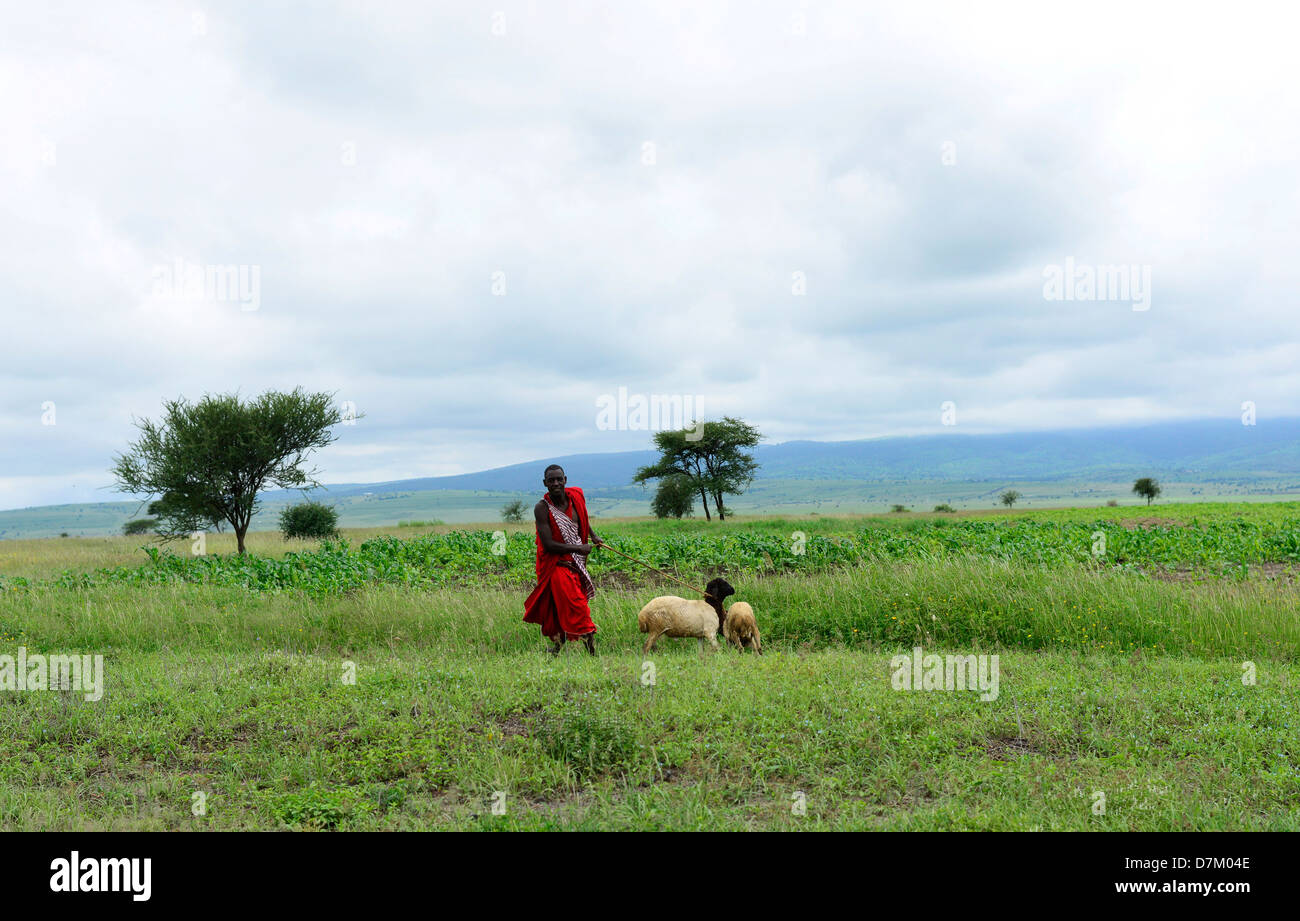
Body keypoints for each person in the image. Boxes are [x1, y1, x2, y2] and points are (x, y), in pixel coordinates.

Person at [522, 464, 604, 655]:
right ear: (545, 483)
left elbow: (582, 518)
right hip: (557, 567)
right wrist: (579, 548)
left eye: (559, 479)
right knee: (578, 607)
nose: (556, 483)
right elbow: (549, 545)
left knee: (563, 611)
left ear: (565, 480)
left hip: (575, 563)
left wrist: (593, 535)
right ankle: (592, 654)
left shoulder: (575, 497)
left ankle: (556, 650)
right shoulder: (542, 508)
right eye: (551, 480)